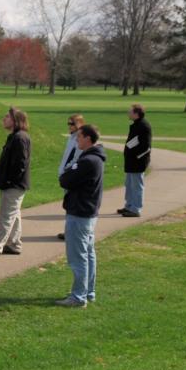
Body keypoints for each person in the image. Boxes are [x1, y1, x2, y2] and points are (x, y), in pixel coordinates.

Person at [57, 124, 106, 308]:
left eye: (79, 137)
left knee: (78, 257)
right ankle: (87, 291)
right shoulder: (94, 158)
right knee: (88, 254)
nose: (76, 140)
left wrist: (69, 172)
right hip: (88, 212)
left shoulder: (88, 161)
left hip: (80, 212)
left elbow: (65, 179)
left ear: (87, 138)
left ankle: (78, 297)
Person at [0, 107, 32, 256]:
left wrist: (9, 181)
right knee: (14, 214)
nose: (4, 119)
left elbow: (20, 164)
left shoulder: (20, 138)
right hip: (12, 183)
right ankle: (14, 243)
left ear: (15, 121)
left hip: (14, 184)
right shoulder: (16, 136)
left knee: (6, 215)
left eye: (7, 117)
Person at [120, 104, 152, 218]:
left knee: (137, 186)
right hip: (131, 161)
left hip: (138, 162)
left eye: (130, 112)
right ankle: (129, 206)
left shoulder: (144, 126)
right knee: (129, 184)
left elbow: (146, 146)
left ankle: (135, 209)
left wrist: (136, 157)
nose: (128, 113)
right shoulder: (136, 125)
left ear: (136, 114)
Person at [56, 115, 85, 239]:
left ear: (78, 124)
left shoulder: (79, 139)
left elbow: (75, 159)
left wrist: (67, 171)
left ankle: (71, 232)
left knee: (73, 206)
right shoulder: (71, 138)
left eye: (71, 123)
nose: (69, 126)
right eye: (68, 123)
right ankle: (68, 230)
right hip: (65, 174)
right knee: (68, 206)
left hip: (71, 176)